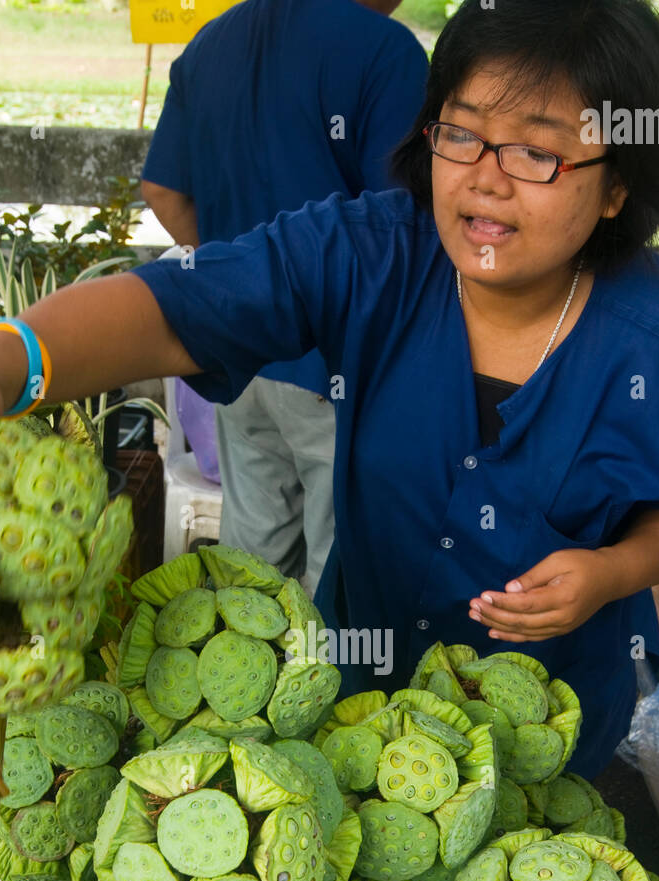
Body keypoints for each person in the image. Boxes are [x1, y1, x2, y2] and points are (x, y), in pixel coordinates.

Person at [0, 0, 659, 778]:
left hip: (545, 748)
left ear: (617, 185)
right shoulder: (372, 253)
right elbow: (176, 307)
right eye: (458, 133)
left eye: (537, 151)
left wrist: (613, 571)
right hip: (356, 711)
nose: (484, 178)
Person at [140, 0, 429, 595]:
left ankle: (237, 687)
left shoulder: (209, 43)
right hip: (339, 361)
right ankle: (327, 685)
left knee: (250, 577)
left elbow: (162, 189)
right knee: (339, 582)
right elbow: (410, 223)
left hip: (237, 358)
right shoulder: (386, 50)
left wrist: (242, 284)